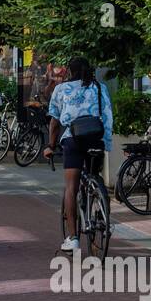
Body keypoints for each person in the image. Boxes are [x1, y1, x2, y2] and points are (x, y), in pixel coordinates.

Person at [42, 57, 113, 252]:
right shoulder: (99, 88)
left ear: (70, 72)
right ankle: (99, 206)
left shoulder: (62, 90)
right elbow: (107, 115)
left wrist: (50, 145)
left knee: (71, 187)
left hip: (73, 139)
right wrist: (106, 143)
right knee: (94, 175)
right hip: (96, 139)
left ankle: (73, 238)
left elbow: (55, 122)